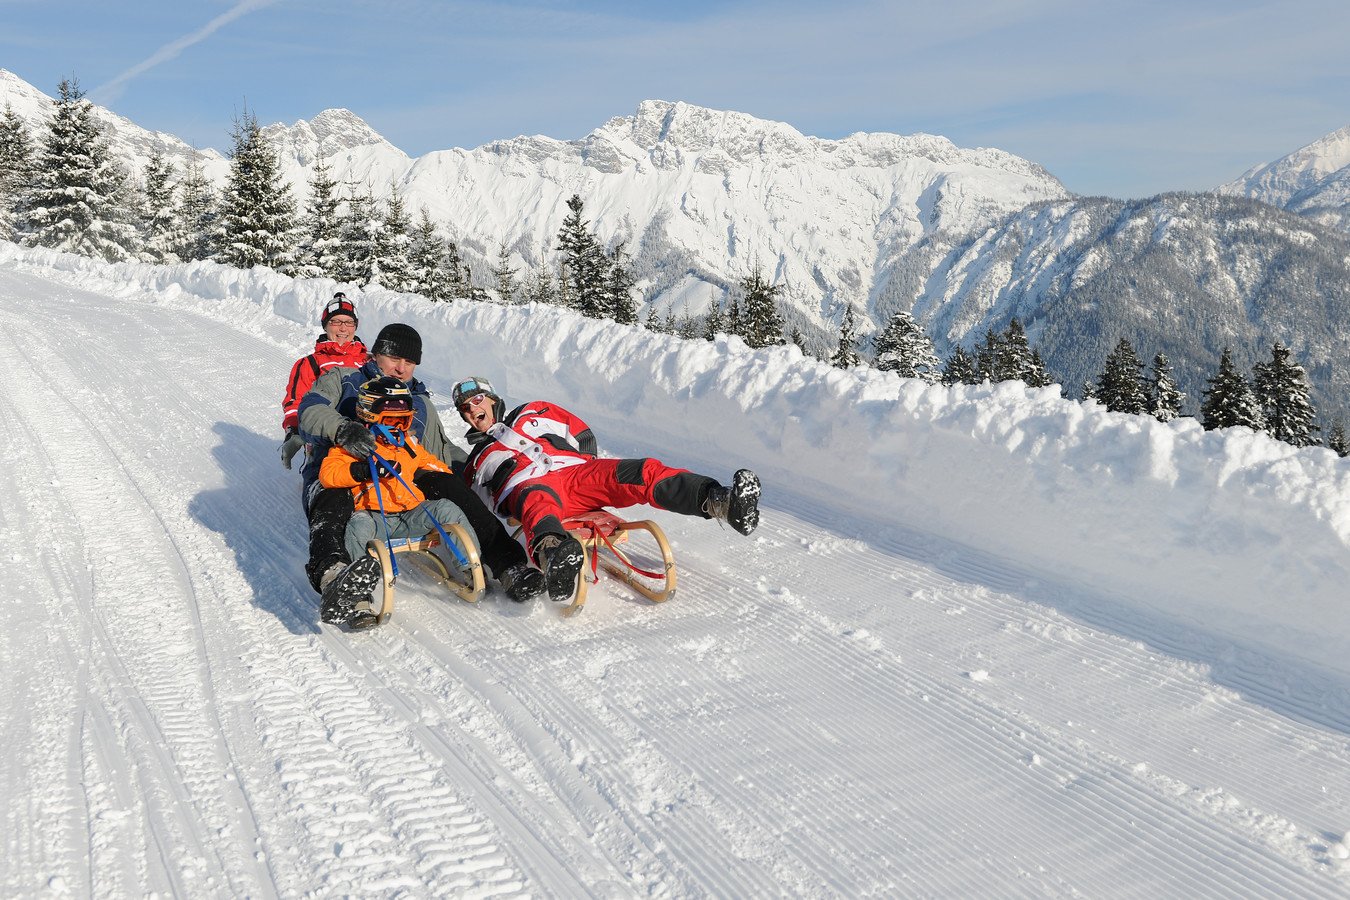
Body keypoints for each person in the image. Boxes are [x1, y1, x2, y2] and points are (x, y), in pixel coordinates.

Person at [298, 324, 545, 623]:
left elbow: (441, 450)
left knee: (449, 485)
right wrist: (342, 429)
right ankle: (334, 574)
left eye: (409, 362)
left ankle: (509, 565)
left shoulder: (419, 402)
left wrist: (481, 469)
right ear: (376, 355)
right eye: (394, 359)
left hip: (400, 476)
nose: (401, 369)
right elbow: (309, 410)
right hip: (342, 469)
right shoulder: (344, 379)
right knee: (332, 498)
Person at [452, 376, 761, 602]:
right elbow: (479, 511)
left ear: (492, 398)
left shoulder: (534, 411)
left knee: (641, 471)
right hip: (533, 489)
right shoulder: (477, 461)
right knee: (537, 502)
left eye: (476, 400)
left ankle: (720, 502)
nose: (471, 410)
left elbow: (581, 433)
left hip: (577, 474)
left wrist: (588, 468)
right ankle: (555, 557)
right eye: (464, 409)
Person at [317, 376, 474, 629]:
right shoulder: (352, 448)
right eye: (391, 421)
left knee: (446, 508)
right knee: (356, 528)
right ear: (370, 416)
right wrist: (362, 471)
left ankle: (469, 566)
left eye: (404, 420)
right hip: (374, 517)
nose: (398, 427)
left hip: (410, 514)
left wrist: (446, 474)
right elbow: (328, 474)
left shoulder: (409, 445)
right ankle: (358, 599)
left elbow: (431, 463)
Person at [280, 292, 368, 470]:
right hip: (327, 438)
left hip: (367, 434)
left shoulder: (368, 362)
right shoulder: (310, 363)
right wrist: (294, 430)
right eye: (336, 322)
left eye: (349, 322)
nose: (343, 328)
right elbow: (296, 401)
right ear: (325, 325)